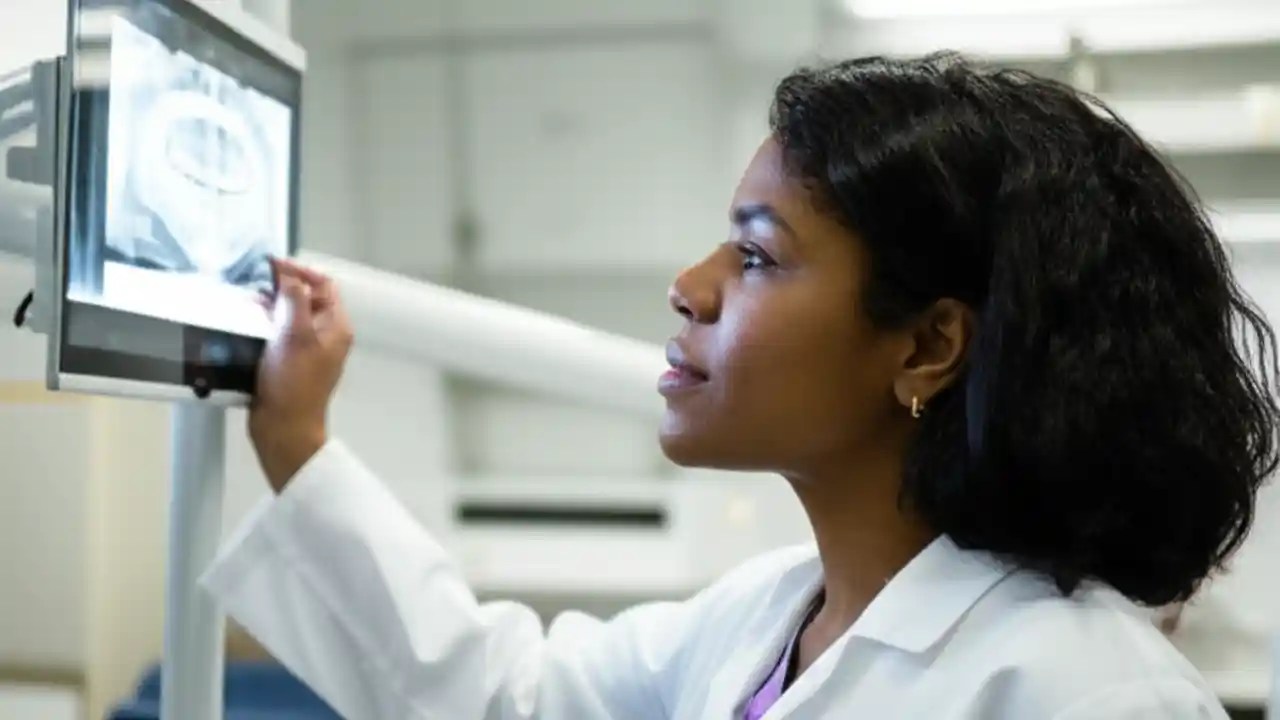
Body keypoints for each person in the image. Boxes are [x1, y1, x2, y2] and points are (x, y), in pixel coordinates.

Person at [203, 53, 1280, 719]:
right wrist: (295, 442)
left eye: (755, 255)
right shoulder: (765, 623)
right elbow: (507, 698)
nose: (687, 286)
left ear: (925, 347)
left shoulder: (1078, 692)